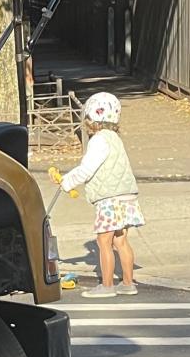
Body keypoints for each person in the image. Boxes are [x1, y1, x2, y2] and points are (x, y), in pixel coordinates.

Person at [54, 92, 143, 297]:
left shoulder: (98, 141)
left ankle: (107, 285)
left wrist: (67, 182)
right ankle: (128, 283)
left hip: (110, 199)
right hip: (126, 195)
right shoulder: (114, 139)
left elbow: (87, 169)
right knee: (120, 240)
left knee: (103, 241)